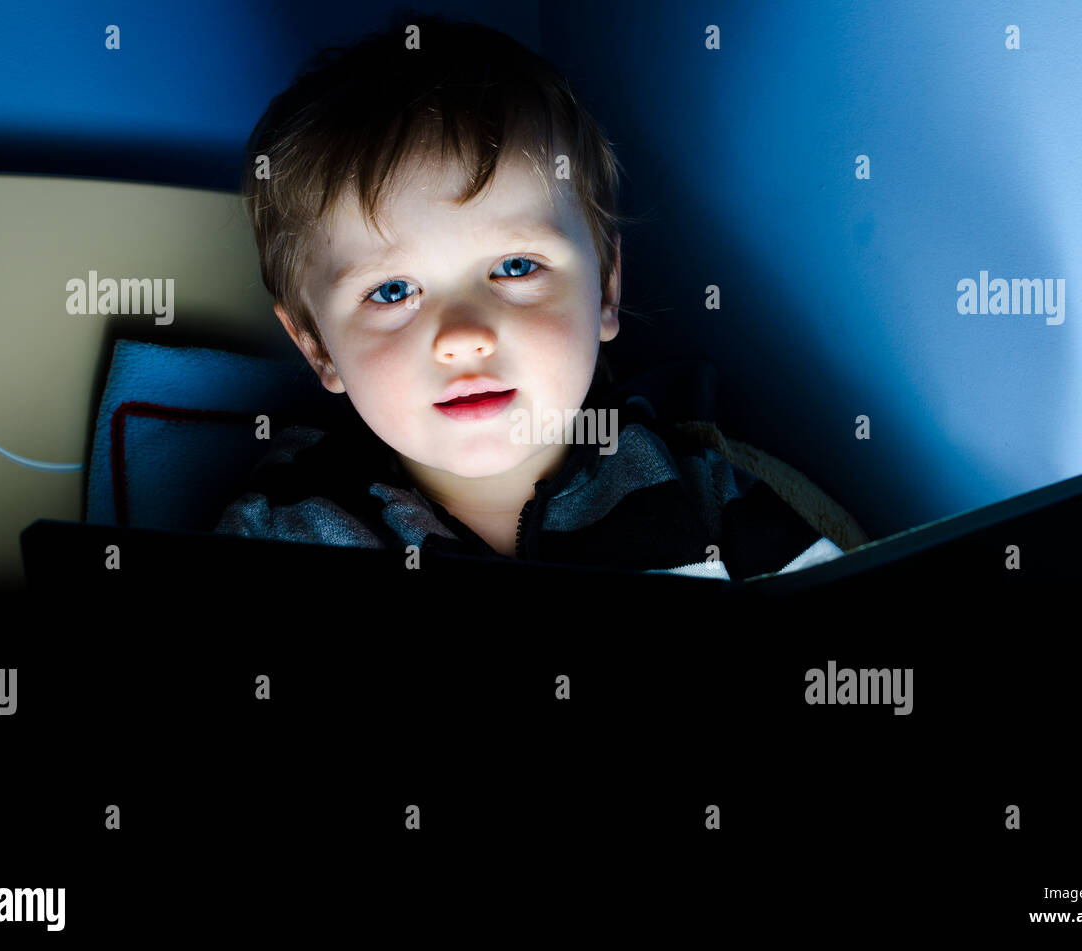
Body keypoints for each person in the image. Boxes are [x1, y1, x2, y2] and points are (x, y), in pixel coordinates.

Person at [216, 14, 845, 580]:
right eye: (392, 290)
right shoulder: (286, 531)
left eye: (515, 266)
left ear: (606, 288)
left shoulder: (704, 500)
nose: (462, 335)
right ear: (318, 346)